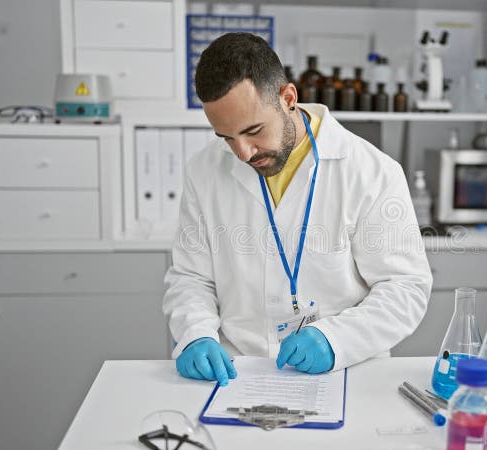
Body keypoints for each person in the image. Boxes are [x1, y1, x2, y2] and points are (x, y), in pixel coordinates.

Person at [163, 32, 432, 385]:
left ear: (288, 98)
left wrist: (336, 340)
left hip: (344, 371)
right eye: (227, 138)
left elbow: (404, 287)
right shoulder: (204, 171)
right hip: (237, 373)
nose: (243, 153)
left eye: (253, 130)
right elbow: (191, 277)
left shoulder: (370, 171)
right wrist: (195, 333)